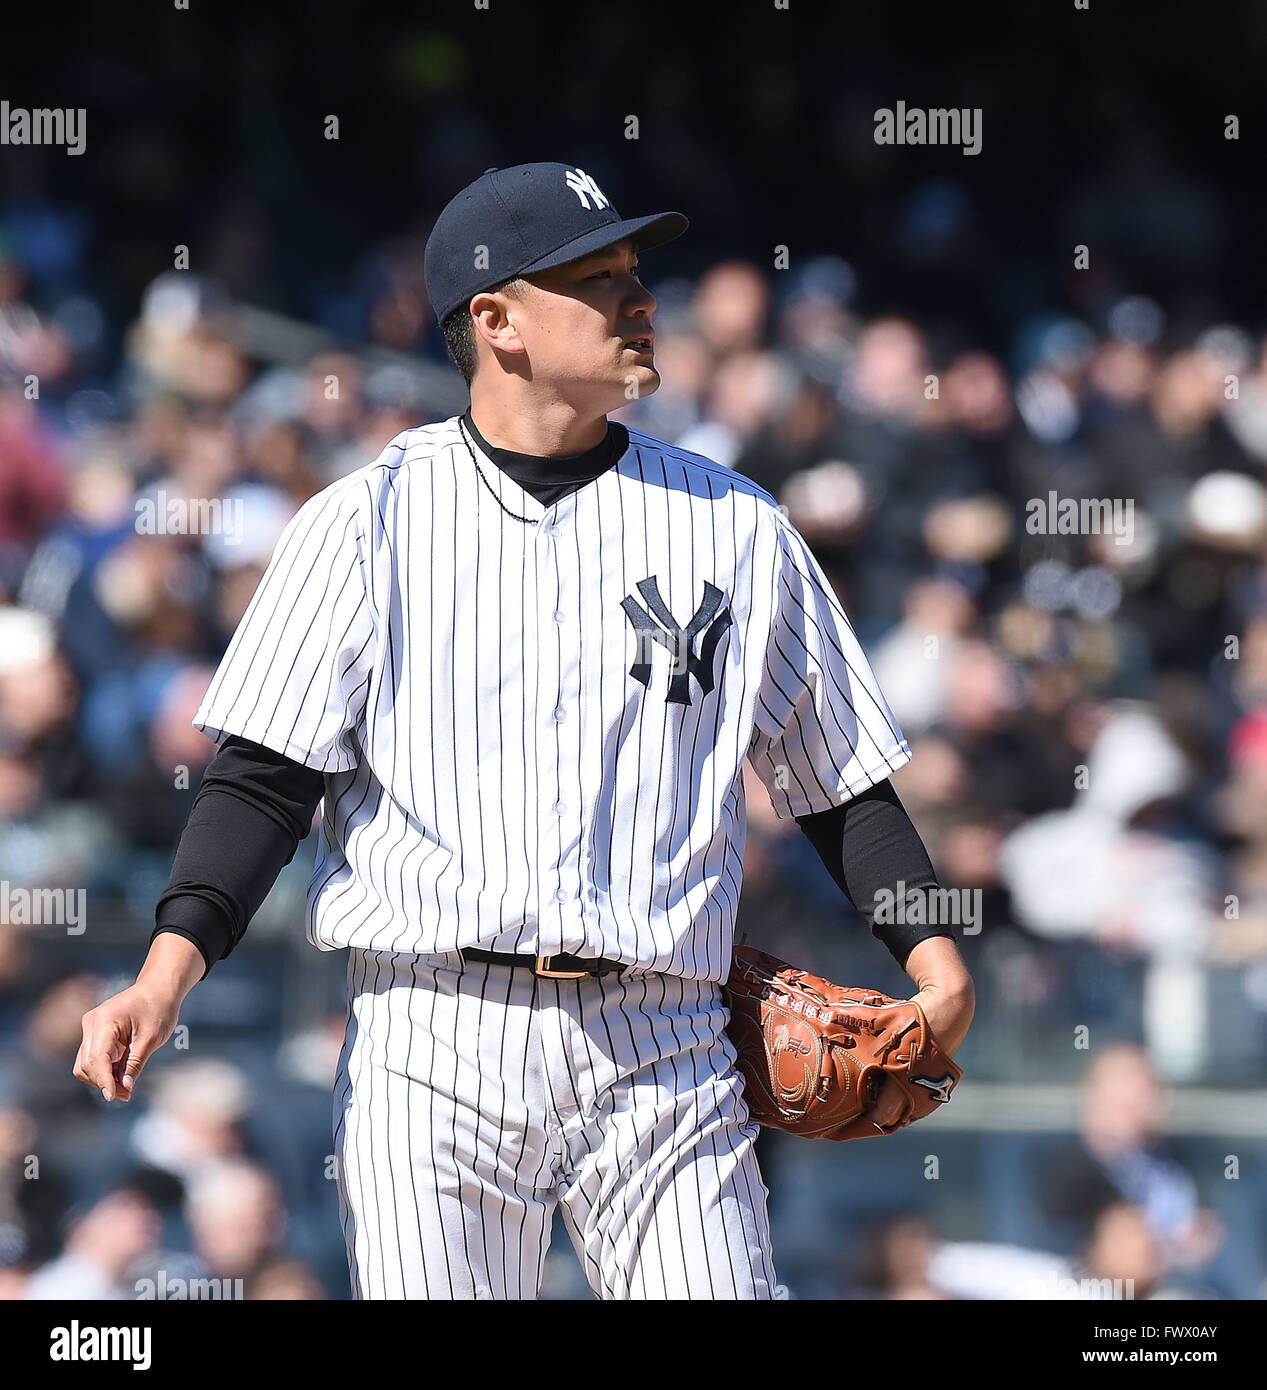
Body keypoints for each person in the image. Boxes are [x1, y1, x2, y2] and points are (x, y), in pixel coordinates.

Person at [74, 161, 973, 1301]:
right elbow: (261, 782)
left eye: (637, 271)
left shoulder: (737, 525)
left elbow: (839, 780)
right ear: (494, 321)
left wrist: (935, 958)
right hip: (433, 1034)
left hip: (665, 1039)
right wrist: (164, 976)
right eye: (599, 280)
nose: (641, 300)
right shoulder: (366, 523)